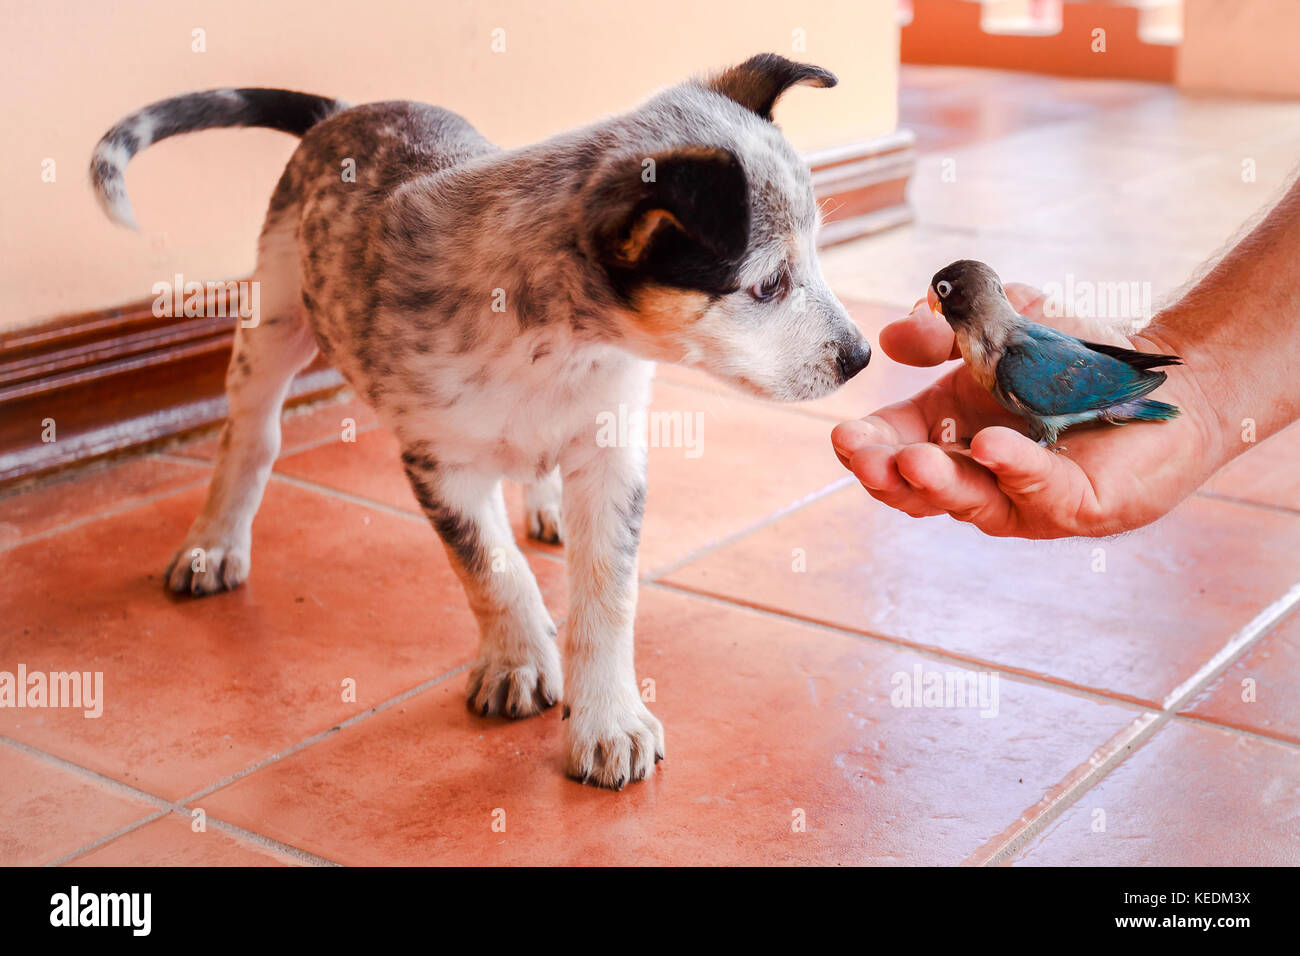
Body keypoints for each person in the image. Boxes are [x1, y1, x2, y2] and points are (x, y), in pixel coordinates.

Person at [831, 176, 1300, 539]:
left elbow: (1068, 367)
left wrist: (1197, 395)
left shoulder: (1013, 363)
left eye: (943, 292)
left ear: (966, 301)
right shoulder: (991, 352)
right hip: (1092, 375)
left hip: (1106, 392)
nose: (934, 301)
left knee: (1033, 414)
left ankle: (1042, 436)